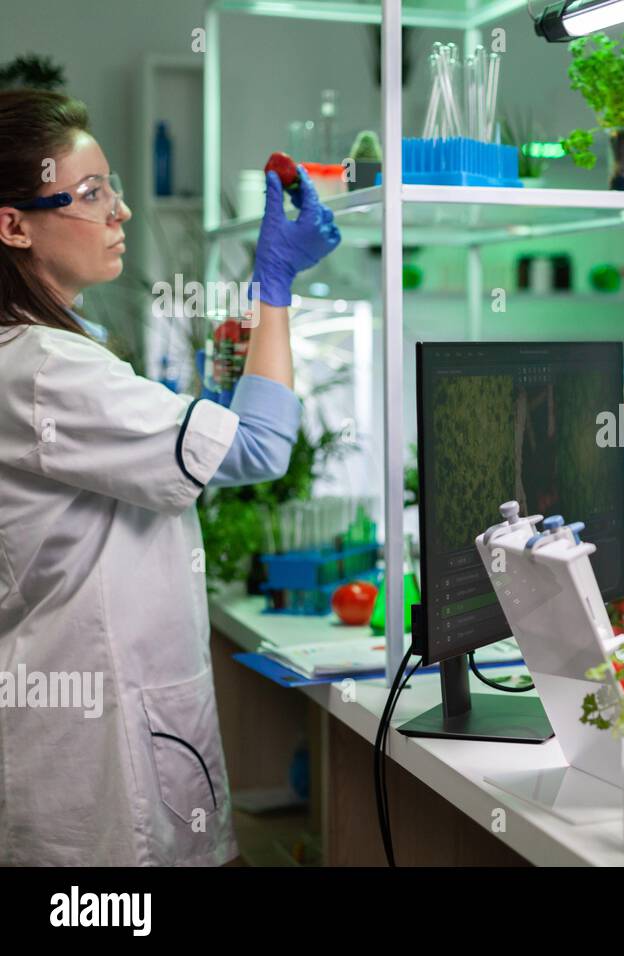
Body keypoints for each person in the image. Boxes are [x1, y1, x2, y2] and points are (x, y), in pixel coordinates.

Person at [0, 89, 340, 864]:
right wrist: (274, 286)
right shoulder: (50, 369)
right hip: (93, 773)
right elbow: (259, 447)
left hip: (96, 729)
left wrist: (206, 407)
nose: (119, 212)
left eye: (112, 185)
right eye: (89, 195)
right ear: (13, 225)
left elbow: (142, 458)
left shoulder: (44, 355)